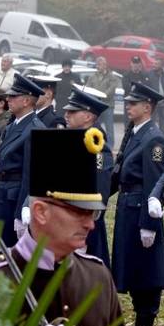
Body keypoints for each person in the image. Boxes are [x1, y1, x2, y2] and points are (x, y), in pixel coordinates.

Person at [0, 128, 128, 326]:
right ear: (41, 212)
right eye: (79, 212)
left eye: (92, 213)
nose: (89, 224)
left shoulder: (97, 277)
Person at [110, 83, 164, 326]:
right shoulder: (134, 133)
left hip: (141, 212)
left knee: (146, 270)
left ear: (148, 107)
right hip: (127, 208)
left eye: (133, 103)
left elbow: (154, 185)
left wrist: (149, 224)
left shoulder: (154, 139)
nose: (128, 106)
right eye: (128, 102)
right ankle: (139, 323)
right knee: (132, 267)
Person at [0, 74, 46, 244]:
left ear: (26, 101)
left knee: (7, 248)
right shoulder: (13, 126)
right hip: (1, 194)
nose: (8, 99)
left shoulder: (35, 129)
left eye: (13, 96)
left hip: (14, 200)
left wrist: (25, 206)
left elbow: (33, 174)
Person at [62, 85, 113, 267]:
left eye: (73, 111)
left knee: (85, 273)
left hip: (83, 225)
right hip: (64, 220)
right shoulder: (70, 140)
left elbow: (99, 192)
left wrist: (84, 225)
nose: (66, 115)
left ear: (88, 117)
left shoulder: (97, 147)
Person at [85, 57, 120, 147]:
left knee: (109, 127)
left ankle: (110, 146)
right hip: (96, 106)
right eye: (97, 64)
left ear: (105, 65)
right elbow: (88, 88)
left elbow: (111, 90)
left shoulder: (112, 77)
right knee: (95, 126)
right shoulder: (92, 76)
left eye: (100, 64)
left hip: (107, 106)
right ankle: (96, 144)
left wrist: (100, 95)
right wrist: (94, 97)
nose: (98, 66)